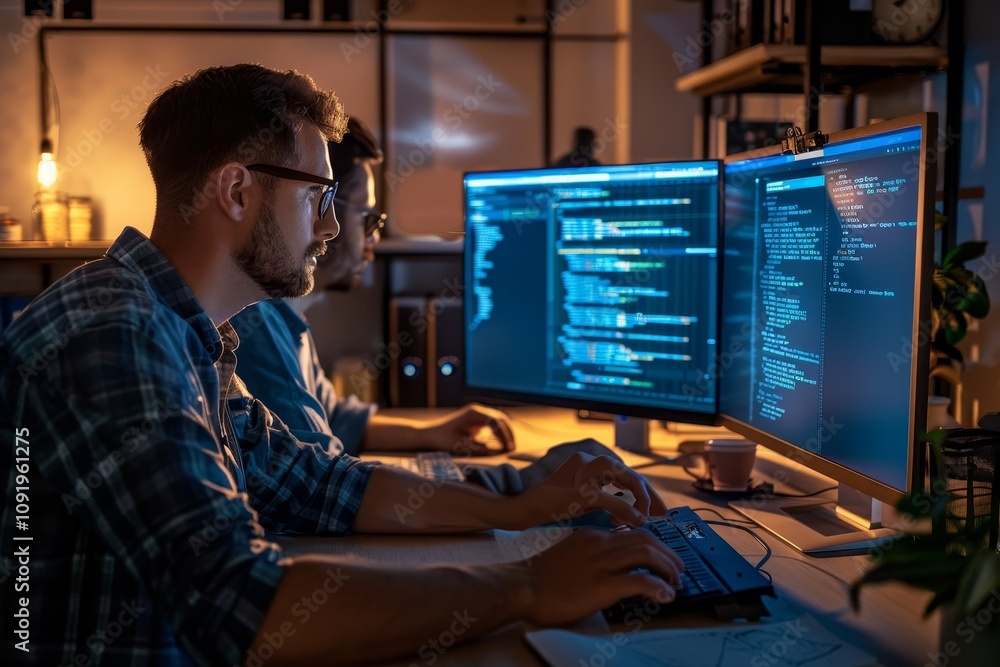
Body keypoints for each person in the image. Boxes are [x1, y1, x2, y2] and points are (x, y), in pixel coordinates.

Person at [0, 64, 682, 666]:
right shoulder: (115, 331)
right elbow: (239, 603)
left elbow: (316, 484)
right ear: (236, 191)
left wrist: (522, 506)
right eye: (318, 197)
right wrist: (527, 586)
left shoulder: (189, 333)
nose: (330, 227)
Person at [231, 116, 511, 458]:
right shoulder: (257, 322)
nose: (373, 238)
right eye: (366, 218)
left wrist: (431, 432)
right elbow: (322, 469)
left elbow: (334, 418)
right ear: (319, 207)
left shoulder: (286, 318)